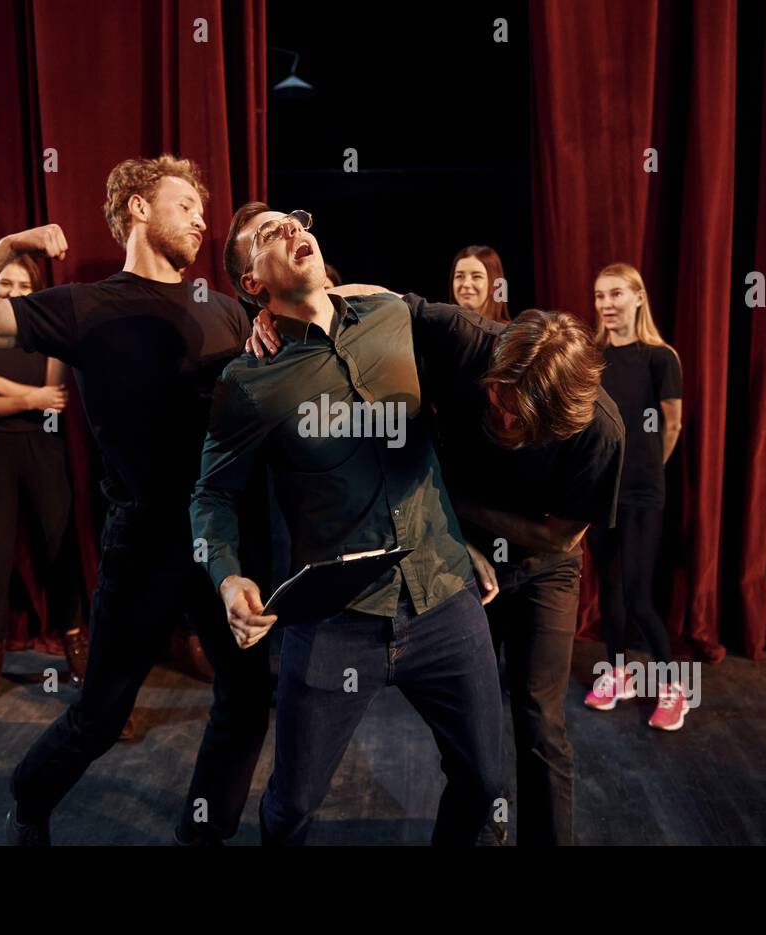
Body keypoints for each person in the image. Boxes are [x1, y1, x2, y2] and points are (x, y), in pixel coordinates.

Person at [0, 154, 273, 847]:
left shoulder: (227, 311)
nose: (201, 218)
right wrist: (9, 247)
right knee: (103, 715)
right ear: (138, 209)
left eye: (203, 209)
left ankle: (204, 833)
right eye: (184, 205)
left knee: (249, 697)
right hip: (143, 541)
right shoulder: (83, 307)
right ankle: (29, 798)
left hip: (224, 537)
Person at [248, 283, 625, 847]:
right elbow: (376, 295)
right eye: (495, 397)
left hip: (544, 564)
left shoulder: (600, 432)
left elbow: (561, 538)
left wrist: (452, 506)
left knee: (539, 719)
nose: (497, 415)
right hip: (451, 553)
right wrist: (280, 309)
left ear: (555, 424)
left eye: (514, 417)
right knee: (477, 744)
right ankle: (484, 825)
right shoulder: (468, 339)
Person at [193, 203, 507, 845]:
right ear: (253, 284)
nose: (291, 233)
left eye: (294, 221)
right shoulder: (249, 382)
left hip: (445, 598)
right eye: (267, 237)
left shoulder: (393, 316)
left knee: (484, 784)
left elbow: (446, 433)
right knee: (292, 806)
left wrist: (462, 530)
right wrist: (227, 580)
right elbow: (211, 497)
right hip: (335, 620)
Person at [0, 255, 87, 700]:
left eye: (21, 285)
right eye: (3, 283)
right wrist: (30, 395)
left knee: (58, 550)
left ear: (34, 291)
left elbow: (55, 401)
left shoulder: (47, 335)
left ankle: (74, 643)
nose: (10, 291)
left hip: (41, 448)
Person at [583, 262, 687, 730]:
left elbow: (672, 424)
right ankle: (619, 674)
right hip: (602, 493)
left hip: (643, 491)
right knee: (610, 593)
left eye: (616, 294)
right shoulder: (592, 358)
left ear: (638, 298)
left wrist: (646, 469)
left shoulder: (660, 357)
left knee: (640, 596)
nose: (606, 304)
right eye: (601, 296)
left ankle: (672, 689)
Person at [449, 245, 509, 322]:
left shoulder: (509, 333)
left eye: (476, 276)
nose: (466, 284)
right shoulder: (440, 330)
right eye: (459, 276)